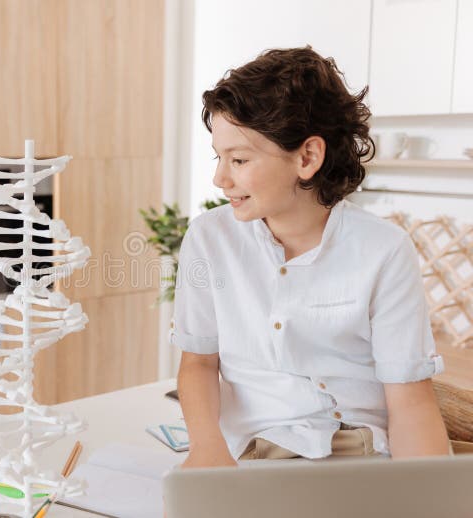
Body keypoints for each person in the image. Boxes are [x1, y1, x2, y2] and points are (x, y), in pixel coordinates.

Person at [172, 47, 450, 468]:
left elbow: (410, 400)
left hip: (364, 454)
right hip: (257, 453)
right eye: (219, 156)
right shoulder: (209, 239)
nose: (220, 178)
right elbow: (198, 363)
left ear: (307, 157)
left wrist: (429, 499)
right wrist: (206, 448)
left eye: (239, 159)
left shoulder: (384, 250)